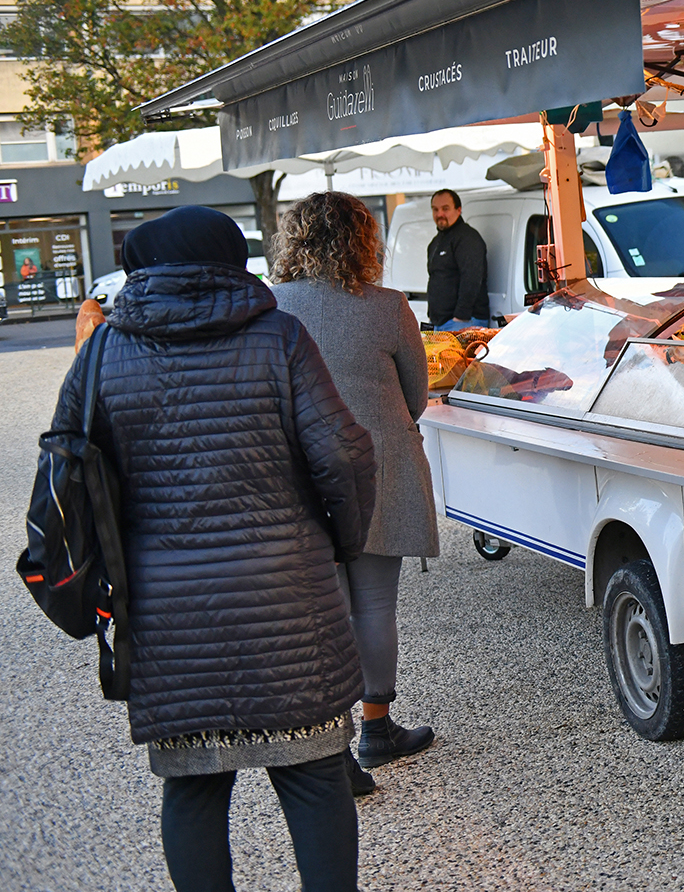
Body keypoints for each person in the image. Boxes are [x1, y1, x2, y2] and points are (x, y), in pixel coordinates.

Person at [47, 205, 375, 892]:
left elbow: (67, 472)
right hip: (288, 601)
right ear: (233, 261)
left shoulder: (104, 352)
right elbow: (344, 455)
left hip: (168, 614)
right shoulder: (281, 337)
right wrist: (341, 543)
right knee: (316, 778)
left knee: (194, 791)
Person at [271, 193, 439, 785]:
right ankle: (377, 728)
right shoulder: (390, 307)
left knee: (325, 613)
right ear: (363, 241)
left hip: (300, 474)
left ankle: (335, 749)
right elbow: (415, 398)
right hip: (379, 466)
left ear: (293, 241)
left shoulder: (271, 306)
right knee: (373, 605)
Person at [426, 188, 488, 330]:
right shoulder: (436, 242)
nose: (439, 214)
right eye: (435, 209)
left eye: (445, 209)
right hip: (441, 322)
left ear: (458, 210)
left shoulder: (467, 238)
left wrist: (461, 316)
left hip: (463, 322)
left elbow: (472, 278)